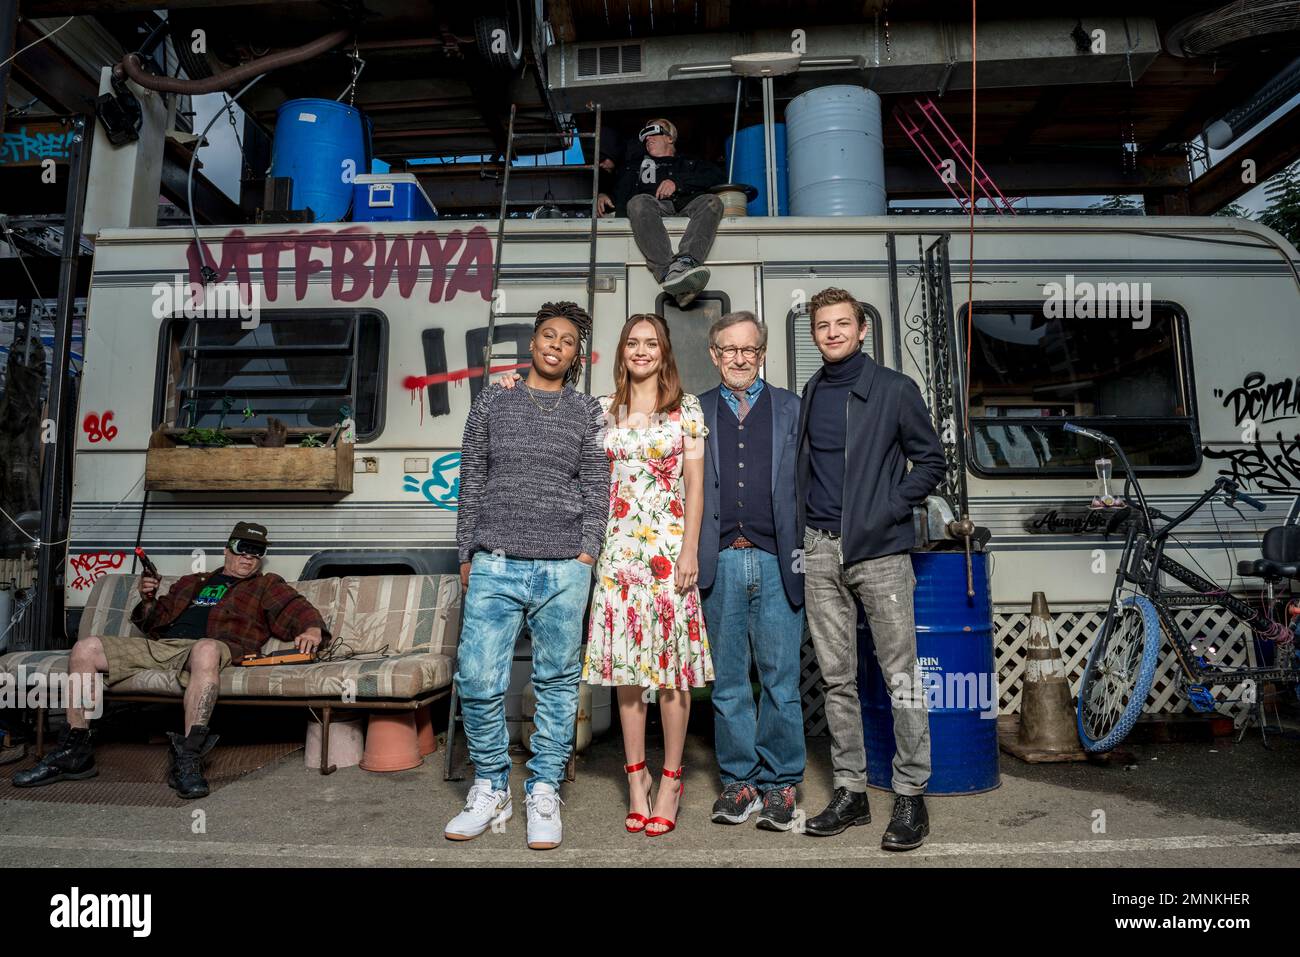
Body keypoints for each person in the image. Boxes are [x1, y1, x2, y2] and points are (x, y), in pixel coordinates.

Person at [445, 302, 608, 852]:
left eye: (566, 340)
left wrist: (588, 551)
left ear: (576, 354)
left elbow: (596, 485)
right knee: (476, 677)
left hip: (565, 566)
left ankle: (543, 788)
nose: (555, 345)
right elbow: (471, 474)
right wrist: (466, 550)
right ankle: (491, 785)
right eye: (547, 335)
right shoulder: (494, 398)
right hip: (496, 559)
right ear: (532, 343)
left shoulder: (586, 411)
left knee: (557, 685)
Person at [12, 521, 325, 798]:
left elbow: (297, 608)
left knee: (205, 649)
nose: (249, 558)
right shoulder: (191, 583)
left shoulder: (265, 585)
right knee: (85, 648)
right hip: (166, 646)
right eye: (243, 549)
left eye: (256, 553)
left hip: (217, 647)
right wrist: (147, 599)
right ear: (228, 548)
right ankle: (74, 751)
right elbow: (152, 624)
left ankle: (189, 756)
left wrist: (311, 628)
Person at [796, 287, 947, 851]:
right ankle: (851, 790)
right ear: (815, 336)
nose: (832, 333)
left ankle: (910, 795)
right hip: (818, 550)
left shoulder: (893, 389)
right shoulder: (812, 390)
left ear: (862, 330)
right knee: (837, 679)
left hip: (880, 554)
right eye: (822, 326)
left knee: (900, 674)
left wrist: (886, 507)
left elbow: (931, 459)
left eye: (842, 324)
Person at [585, 313, 713, 836]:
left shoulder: (687, 410)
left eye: (651, 343)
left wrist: (689, 552)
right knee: (629, 673)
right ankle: (635, 779)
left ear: (664, 352)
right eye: (633, 343)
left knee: (672, 674)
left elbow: (696, 488)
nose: (642, 351)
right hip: (617, 561)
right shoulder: (601, 411)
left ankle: (671, 780)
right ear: (623, 352)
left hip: (667, 559)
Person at [697, 311, 807, 831]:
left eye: (748, 349)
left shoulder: (791, 408)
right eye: (728, 349)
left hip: (778, 557)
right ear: (714, 355)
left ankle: (781, 785)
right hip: (717, 559)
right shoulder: (693, 410)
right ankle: (740, 784)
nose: (739, 358)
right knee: (729, 683)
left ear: (761, 354)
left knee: (781, 680)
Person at [599, 118, 725, 308]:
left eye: (654, 132)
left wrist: (678, 184)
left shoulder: (688, 162)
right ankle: (669, 273)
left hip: (684, 203)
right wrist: (603, 194)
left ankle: (686, 262)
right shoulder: (634, 165)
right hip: (652, 207)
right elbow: (615, 183)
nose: (648, 138)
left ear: (670, 138)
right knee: (638, 202)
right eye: (645, 136)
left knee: (712, 201)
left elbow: (717, 175)